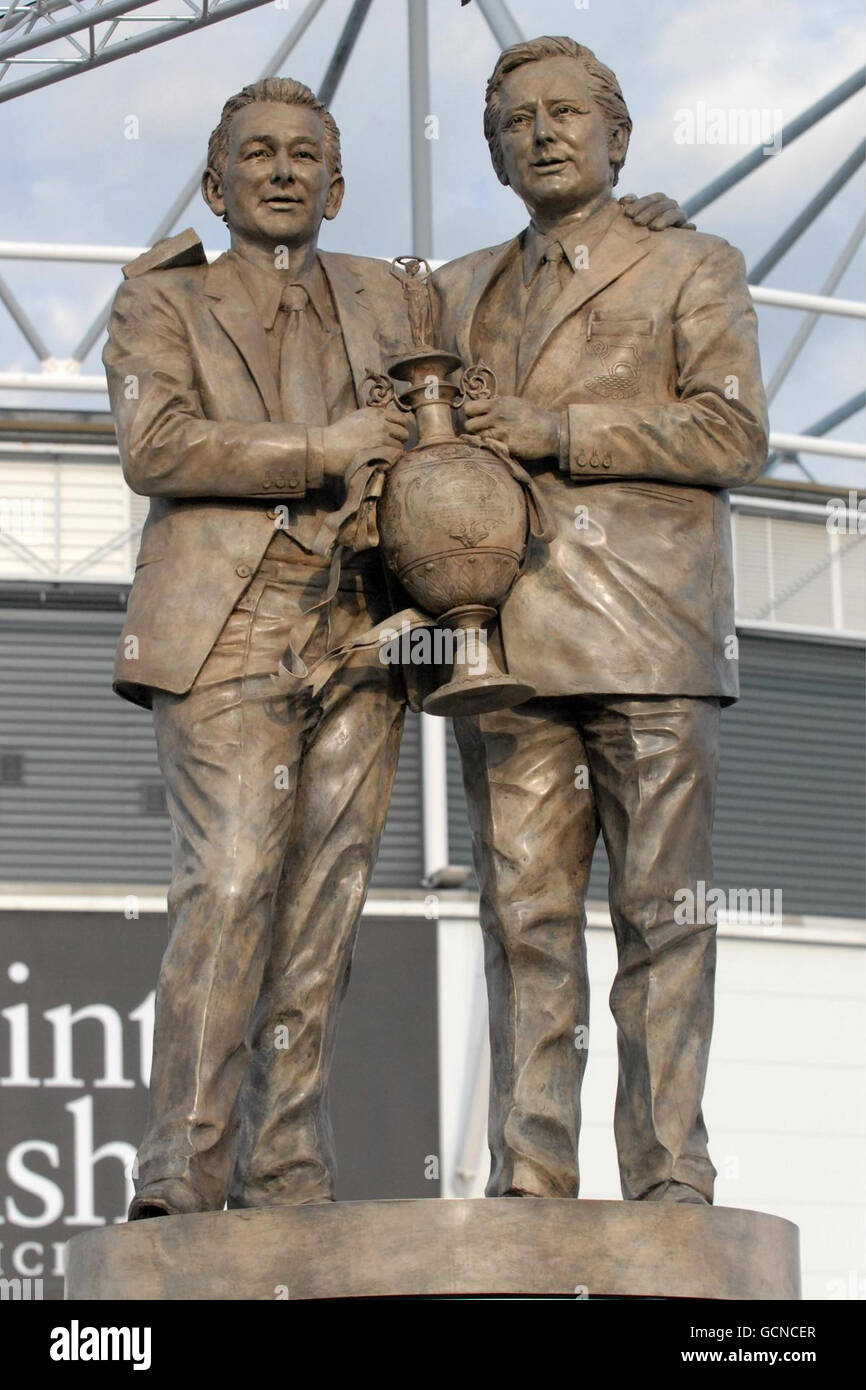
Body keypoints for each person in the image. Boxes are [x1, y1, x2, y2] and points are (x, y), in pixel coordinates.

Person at [432, 36, 768, 1205]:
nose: (542, 133)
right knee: (521, 921)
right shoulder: (455, 287)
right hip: (509, 649)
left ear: (616, 138)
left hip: (650, 634)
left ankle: (669, 1174)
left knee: (660, 920)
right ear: (492, 151)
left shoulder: (693, 264)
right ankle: (532, 1176)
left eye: (567, 113)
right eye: (516, 119)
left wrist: (555, 427)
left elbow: (729, 435)